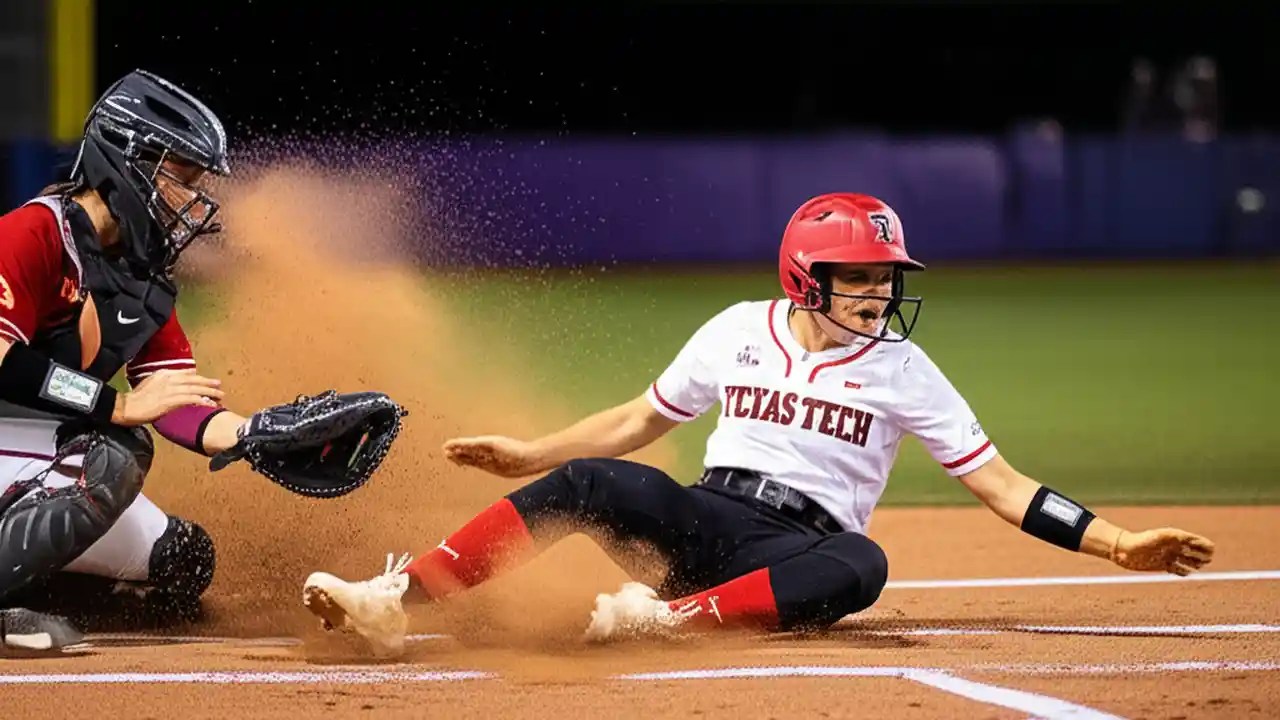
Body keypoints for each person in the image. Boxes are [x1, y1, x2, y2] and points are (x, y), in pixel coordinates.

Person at [301, 192, 1217, 658]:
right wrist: (535, 455)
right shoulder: (741, 328)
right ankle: (396, 599)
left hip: (796, 554)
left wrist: (1117, 540)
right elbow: (638, 418)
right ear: (803, 278)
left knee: (866, 562)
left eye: (886, 277)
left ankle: (661, 622)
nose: (879, 292)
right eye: (858, 276)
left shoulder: (904, 368)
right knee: (593, 483)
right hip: (708, 518)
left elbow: (1004, 487)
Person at [2, 69, 269, 651]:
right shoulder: (33, 233)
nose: (189, 200)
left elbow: (177, 404)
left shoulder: (139, 279)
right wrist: (112, 404)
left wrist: (260, 436)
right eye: (179, 178)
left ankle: (24, 594)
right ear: (126, 163)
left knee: (183, 561)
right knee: (118, 452)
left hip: (31, 460)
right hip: (10, 439)